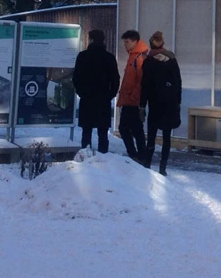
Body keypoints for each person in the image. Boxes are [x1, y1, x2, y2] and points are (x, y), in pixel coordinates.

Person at [140, 30, 182, 176]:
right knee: (166, 137)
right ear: (163, 44)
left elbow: (144, 85)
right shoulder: (172, 60)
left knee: (151, 135)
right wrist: (178, 102)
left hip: (154, 104)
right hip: (169, 104)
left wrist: (142, 105)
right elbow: (178, 83)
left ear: (151, 45)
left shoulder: (148, 62)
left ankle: (147, 165)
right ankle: (163, 168)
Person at [72, 29, 120, 153]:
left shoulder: (83, 56)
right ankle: (103, 158)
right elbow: (115, 79)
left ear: (91, 39)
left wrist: (81, 92)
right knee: (103, 132)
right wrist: (110, 94)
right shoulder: (109, 57)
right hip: (103, 98)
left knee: (86, 131)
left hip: (87, 97)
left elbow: (76, 77)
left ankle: (85, 156)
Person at [116, 29, 148, 160]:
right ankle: (139, 154)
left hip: (132, 100)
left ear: (135, 41)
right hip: (129, 99)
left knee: (128, 128)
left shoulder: (139, 58)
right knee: (133, 129)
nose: (125, 45)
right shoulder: (134, 56)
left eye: (127, 42)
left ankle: (137, 154)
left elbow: (141, 80)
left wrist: (133, 97)